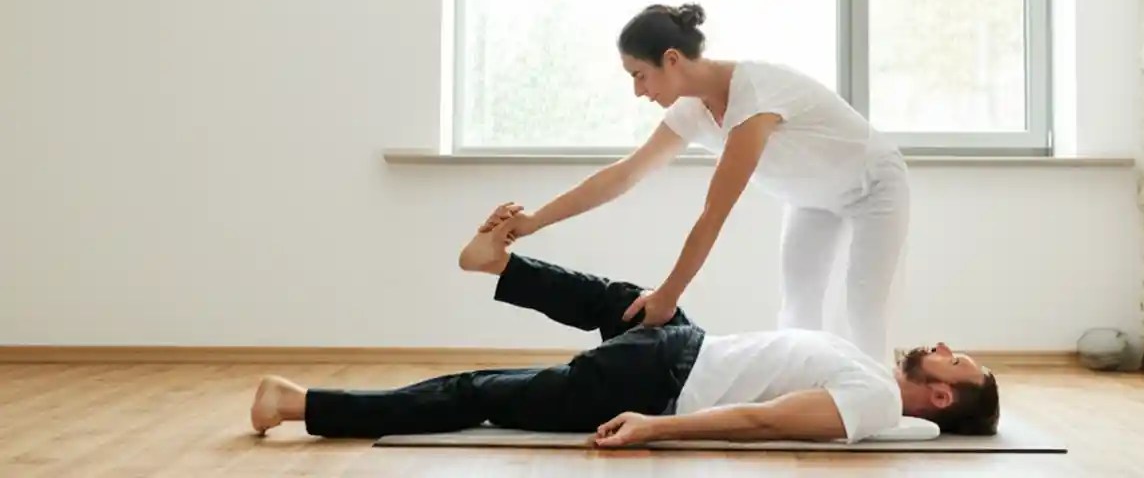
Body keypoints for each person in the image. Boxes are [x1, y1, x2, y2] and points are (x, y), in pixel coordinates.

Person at [250, 213, 998, 445]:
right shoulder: (868, 371)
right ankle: (499, 266)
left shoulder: (870, 403)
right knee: (638, 302)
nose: (939, 346)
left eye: (953, 360)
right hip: (681, 352)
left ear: (937, 398)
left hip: (662, 379)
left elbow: (764, 419)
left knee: (486, 389)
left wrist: (654, 430)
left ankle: (299, 403)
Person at [487, 3, 911, 362]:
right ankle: (806, 395)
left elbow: (714, 213)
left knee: (863, 302)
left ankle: (881, 404)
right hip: (809, 197)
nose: (638, 91)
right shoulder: (691, 111)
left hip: (872, 183)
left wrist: (668, 294)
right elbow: (625, 174)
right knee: (799, 304)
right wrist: (535, 221)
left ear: (671, 59)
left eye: (640, 75)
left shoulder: (754, 95)